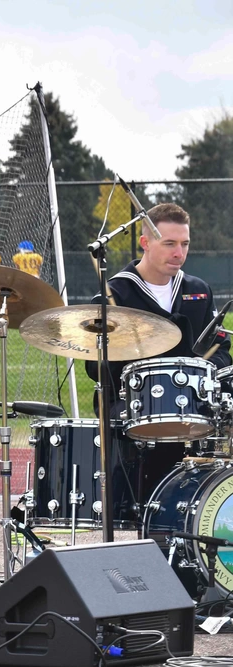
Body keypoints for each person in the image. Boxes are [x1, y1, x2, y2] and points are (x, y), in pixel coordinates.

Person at [84, 203, 231, 511]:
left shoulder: (197, 290)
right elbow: (96, 369)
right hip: (134, 406)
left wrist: (209, 372)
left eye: (185, 244)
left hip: (193, 402)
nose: (179, 252)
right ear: (146, 243)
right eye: (170, 244)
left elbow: (218, 350)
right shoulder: (116, 294)